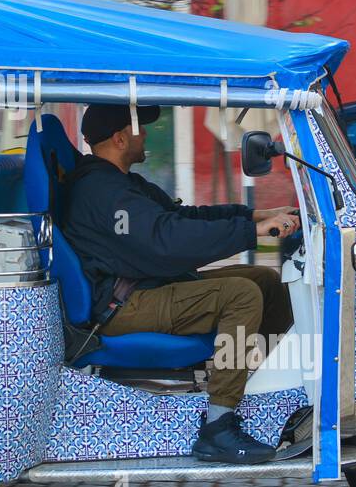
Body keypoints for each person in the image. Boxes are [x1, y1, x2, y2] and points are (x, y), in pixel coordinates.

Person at [59, 103, 301, 465]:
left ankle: (253, 385)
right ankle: (219, 427)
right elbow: (168, 242)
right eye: (141, 129)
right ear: (121, 137)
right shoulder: (103, 192)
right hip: (122, 306)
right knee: (241, 294)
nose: (147, 136)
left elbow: (182, 218)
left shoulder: (122, 183)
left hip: (145, 288)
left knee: (264, 279)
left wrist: (252, 216)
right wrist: (250, 233)